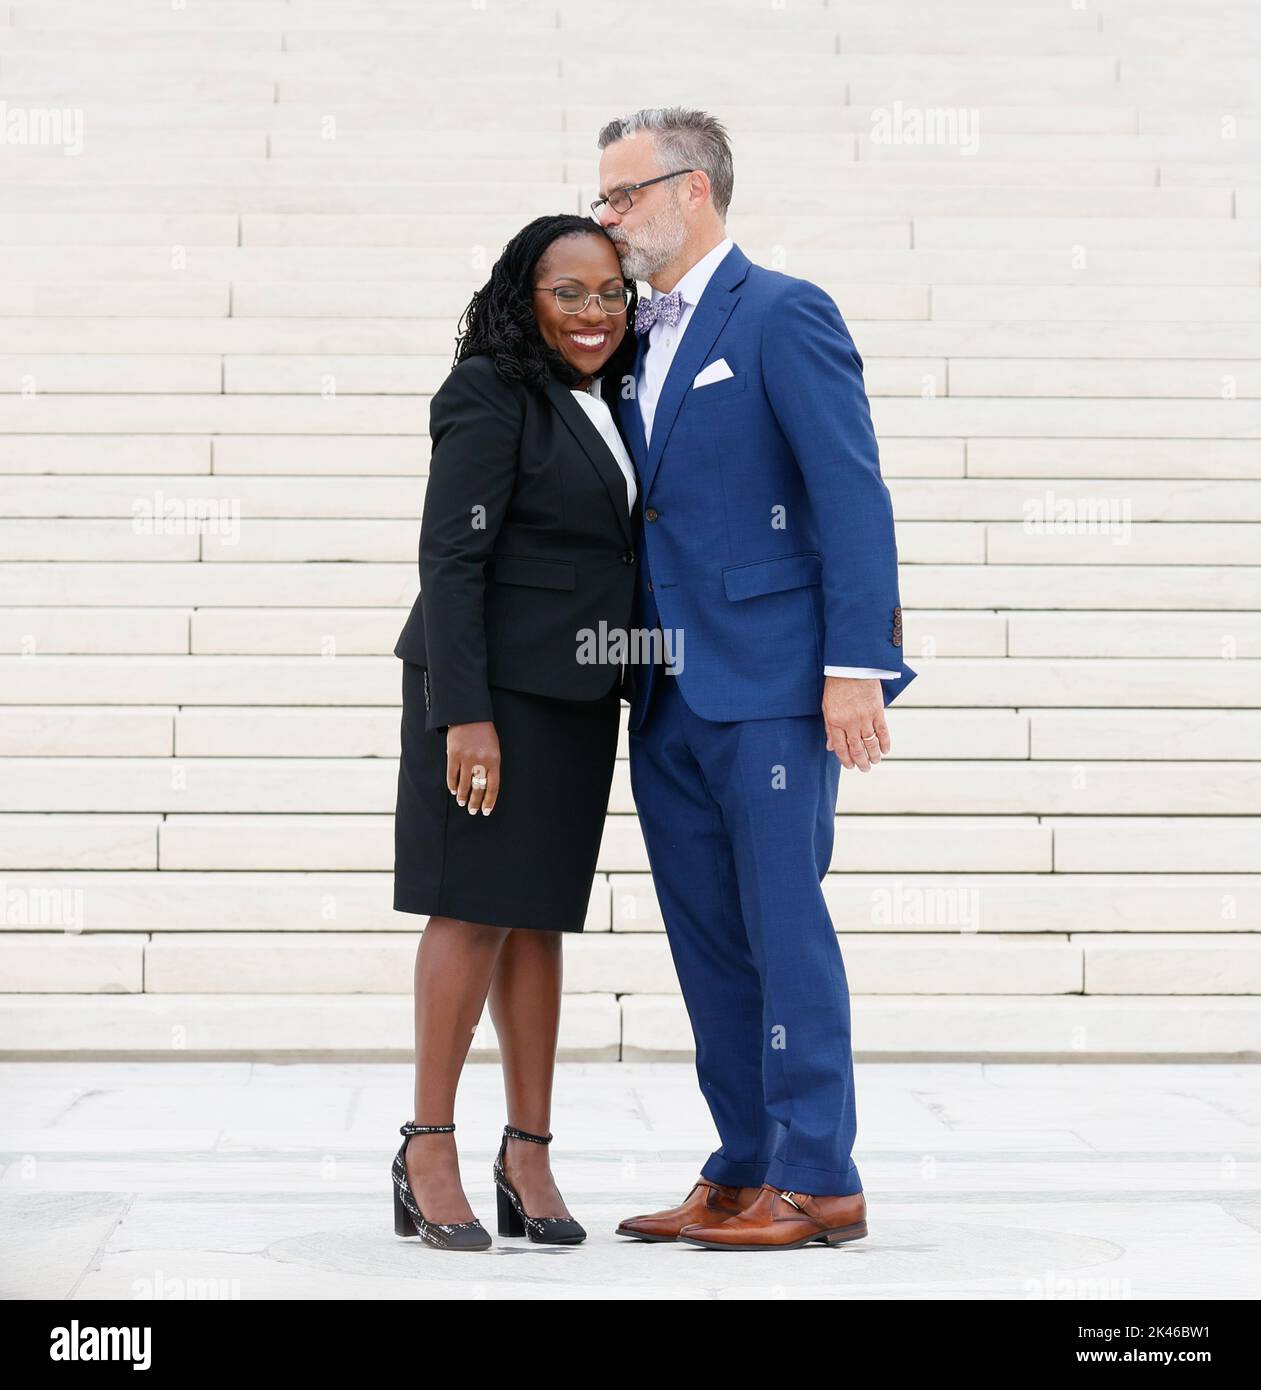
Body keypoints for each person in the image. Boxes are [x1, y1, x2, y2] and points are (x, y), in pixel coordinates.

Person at [593, 108, 918, 1250]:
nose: (608, 217)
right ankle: (742, 1166)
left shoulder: (784, 313)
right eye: (603, 198)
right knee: (707, 941)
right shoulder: (632, 334)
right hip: (667, 687)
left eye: (623, 194)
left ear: (693, 191)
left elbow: (850, 491)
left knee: (785, 927)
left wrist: (854, 665)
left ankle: (819, 1175)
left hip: (777, 684)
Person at [389, 214, 641, 1249]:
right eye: (568, 291)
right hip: (488, 694)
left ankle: (527, 1148)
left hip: (577, 691)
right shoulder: (489, 392)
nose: (594, 312)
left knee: (538, 919)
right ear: (521, 296)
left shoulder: (612, 399)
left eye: (611, 292)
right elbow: (449, 559)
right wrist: (467, 715)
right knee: (471, 910)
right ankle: (428, 1146)